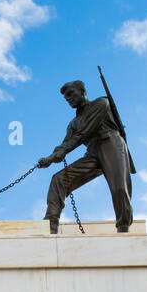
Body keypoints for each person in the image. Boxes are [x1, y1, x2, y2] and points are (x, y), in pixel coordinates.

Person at [36, 79, 136, 234]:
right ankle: (51, 222)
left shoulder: (101, 103)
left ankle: (123, 227)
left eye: (71, 94)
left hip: (111, 144)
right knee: (59, 179)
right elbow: (65, 143)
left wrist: (62, 152)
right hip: (92, 152)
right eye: (66, 98)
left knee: (119, 187)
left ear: (82, 92)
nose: (69, 99)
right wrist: (50, 157)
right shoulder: (73, 124)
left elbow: (86, 132)